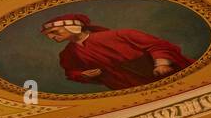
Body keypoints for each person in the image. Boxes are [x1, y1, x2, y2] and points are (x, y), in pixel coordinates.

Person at [41, 13, 193, 90]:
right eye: (48, 35)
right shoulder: (67, 54)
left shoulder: (122, 35)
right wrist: (82, 75)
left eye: (54, 31)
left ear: (73, 26)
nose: (51, 36)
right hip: (127, 88)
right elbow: (71, 71)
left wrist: (161, 64)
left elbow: (159, 46)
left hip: (163, 77)